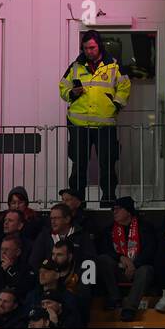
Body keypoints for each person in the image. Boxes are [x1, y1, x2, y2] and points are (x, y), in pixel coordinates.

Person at [59, 29, 130, 203]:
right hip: (79, 124)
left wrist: (116, 105)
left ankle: (108, 201)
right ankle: (77, 204)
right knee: (78, 167)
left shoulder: (113, 65)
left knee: (107, 166)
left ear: (99, 46)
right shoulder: (75, 66)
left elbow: (124, 86)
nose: (89, 51)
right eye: (85, 48)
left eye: (92, 47)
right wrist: (73, 93)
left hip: (104, 124)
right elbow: (62, 88)